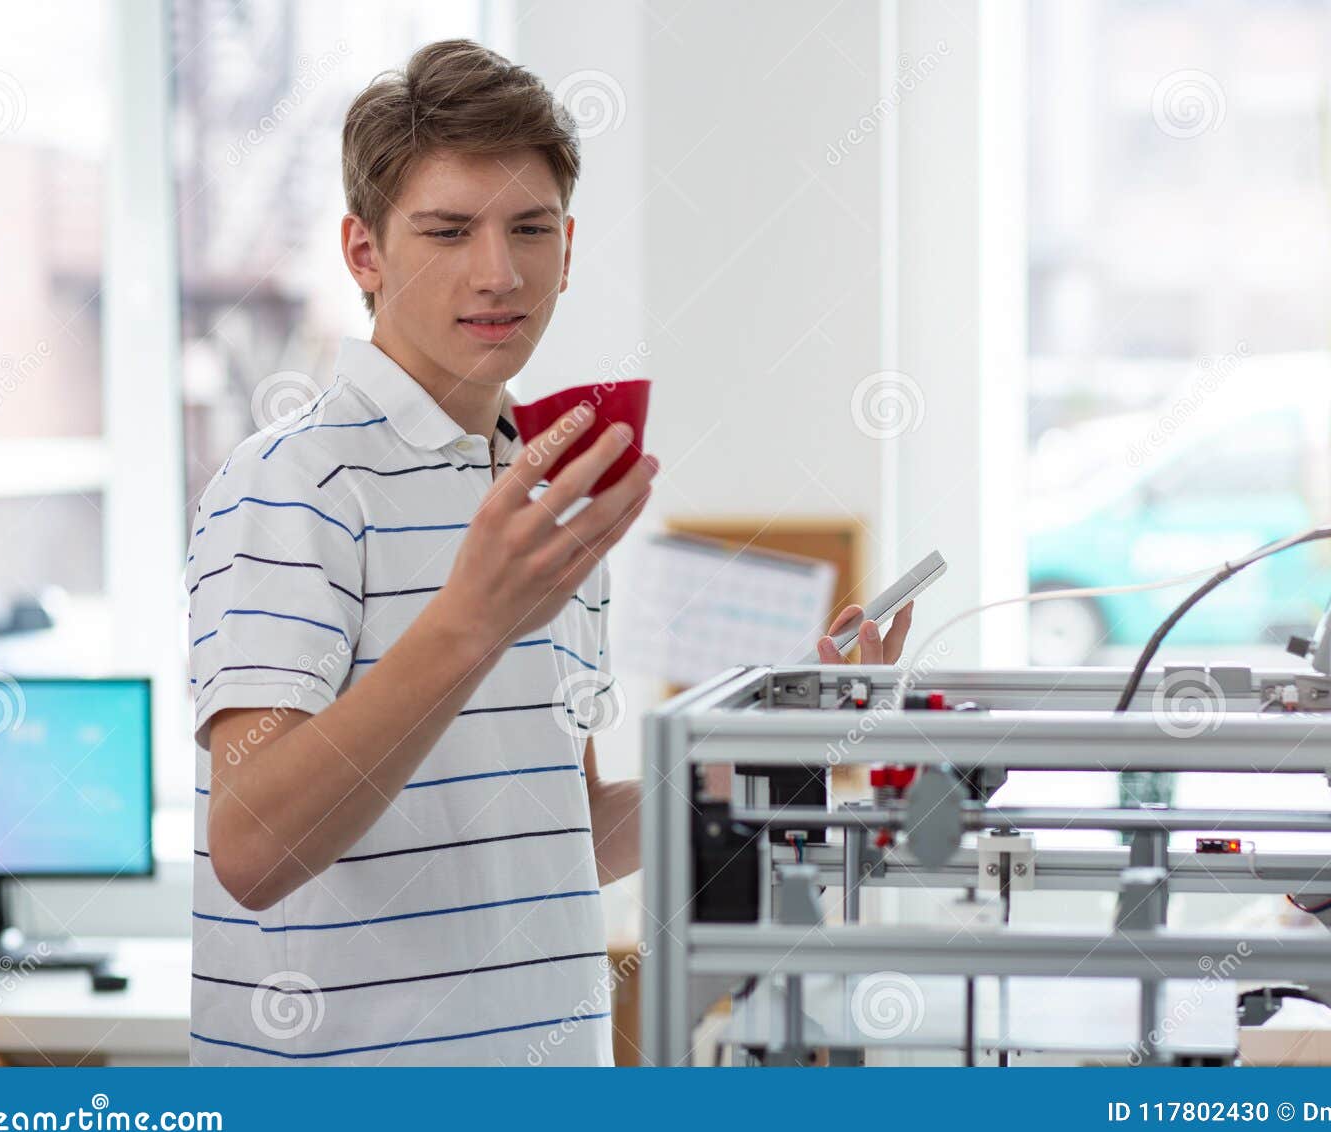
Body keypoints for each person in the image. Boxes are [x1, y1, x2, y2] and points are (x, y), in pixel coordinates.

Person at [185, 38, 910, 1066]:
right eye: (448, 230)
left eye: (529, 228)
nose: (498, 270)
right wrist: (471, 621)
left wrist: (792, 747)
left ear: (567, 248)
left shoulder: (540, 487)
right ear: (364, 254)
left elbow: (561, 830)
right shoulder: (291, 483)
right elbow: (253, 849)